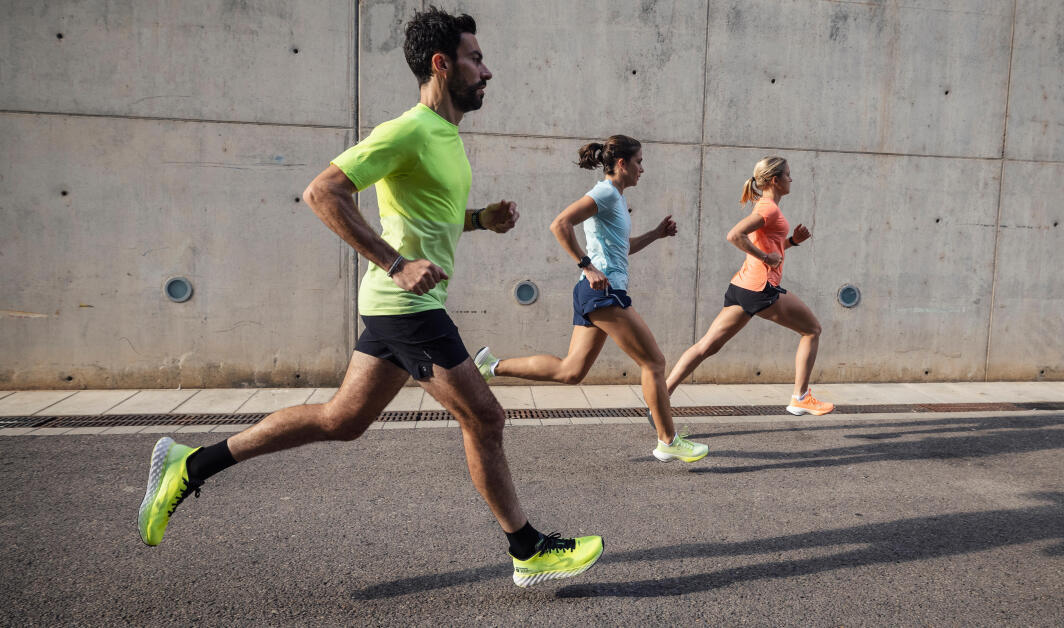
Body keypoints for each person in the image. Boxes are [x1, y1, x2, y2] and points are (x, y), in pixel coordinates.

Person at [137, 7, 603, 588]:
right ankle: (528, 548)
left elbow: (426, 218)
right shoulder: (407, 129)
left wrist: (480, 219)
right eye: (475, 58)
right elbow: (323, 191)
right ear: (442, 64)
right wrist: (395, 264)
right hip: (406, 305)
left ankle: (193, 462)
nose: (488, 72)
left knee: (342, 419)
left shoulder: (447, 137)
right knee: (484, 416)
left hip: (396, 306)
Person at [472, 135, 709, 463]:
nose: (643, 168)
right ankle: (668, 439)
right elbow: (560, 224)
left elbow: (620, 248)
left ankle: (492, 365)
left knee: (571, 371)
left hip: (596, 292)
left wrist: (656, 234)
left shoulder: (615, 199)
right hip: (603, 292)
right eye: (639, 161)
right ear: (622, 164)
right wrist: (586, 265)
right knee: (653, 362)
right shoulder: (605, 193)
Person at [662, 156, 835, 416]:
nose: (791, 179)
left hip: (742, 287)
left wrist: (791, 242)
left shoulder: (766, 207)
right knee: (812, 329)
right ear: (775, 180)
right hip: (760, 288)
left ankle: (661, 396)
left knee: (706, 347)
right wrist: (766, 258)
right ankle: (800, 396)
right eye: (788, 174)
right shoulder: (769, 209)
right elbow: (734, 235)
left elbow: (771, 247)